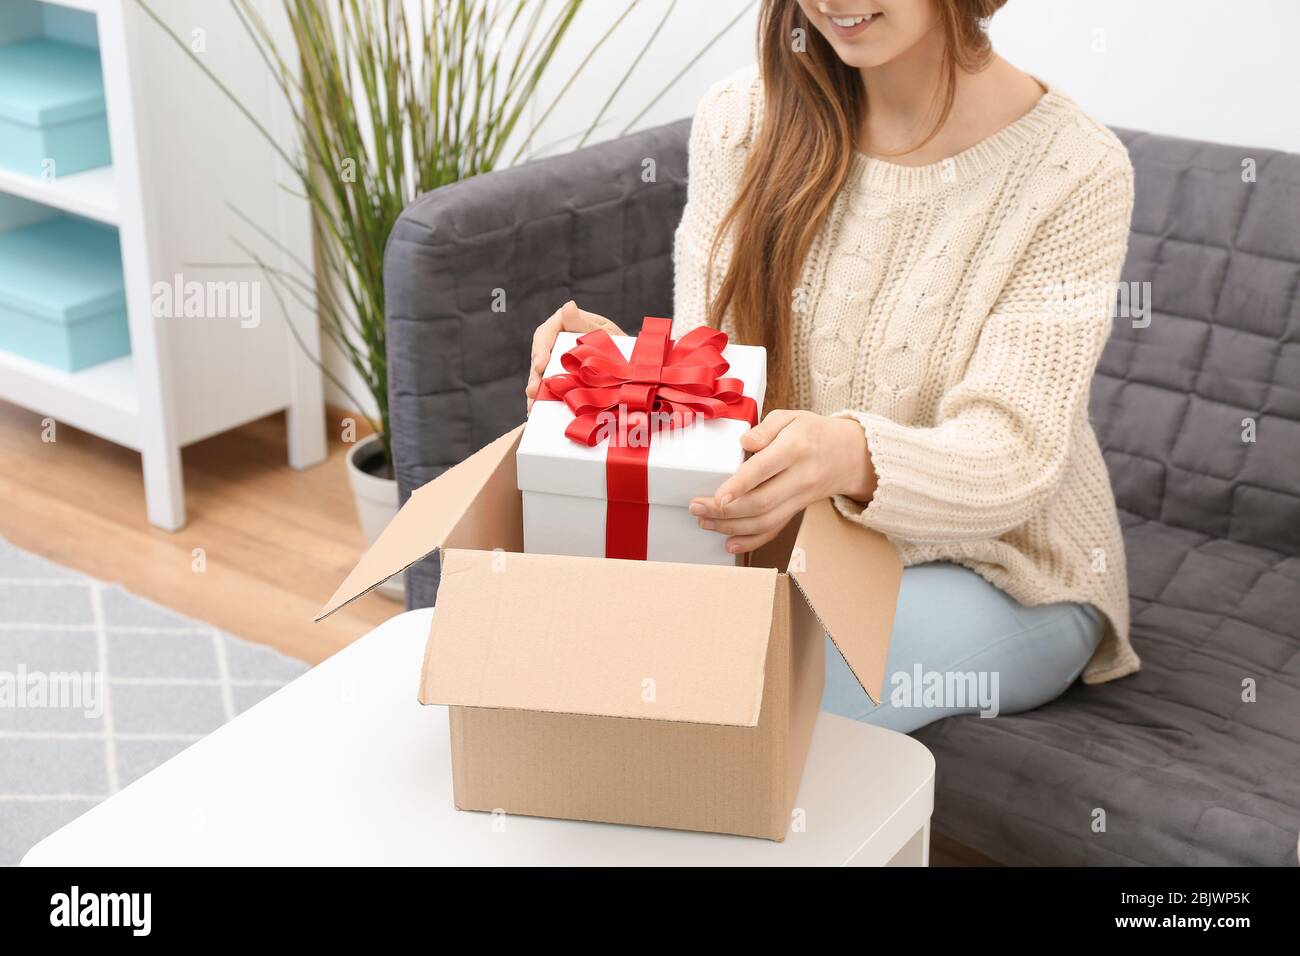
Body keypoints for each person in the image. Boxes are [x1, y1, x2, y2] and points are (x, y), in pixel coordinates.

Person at [525, 0, 1139, 733]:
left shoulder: (1077, 172)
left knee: (758, 695)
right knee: (591, 648)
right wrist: (622, 372)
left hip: (1005, 568)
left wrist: (852, 455)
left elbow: (1016, 456)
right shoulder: (742, 118)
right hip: (806, 541)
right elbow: (718, 374)